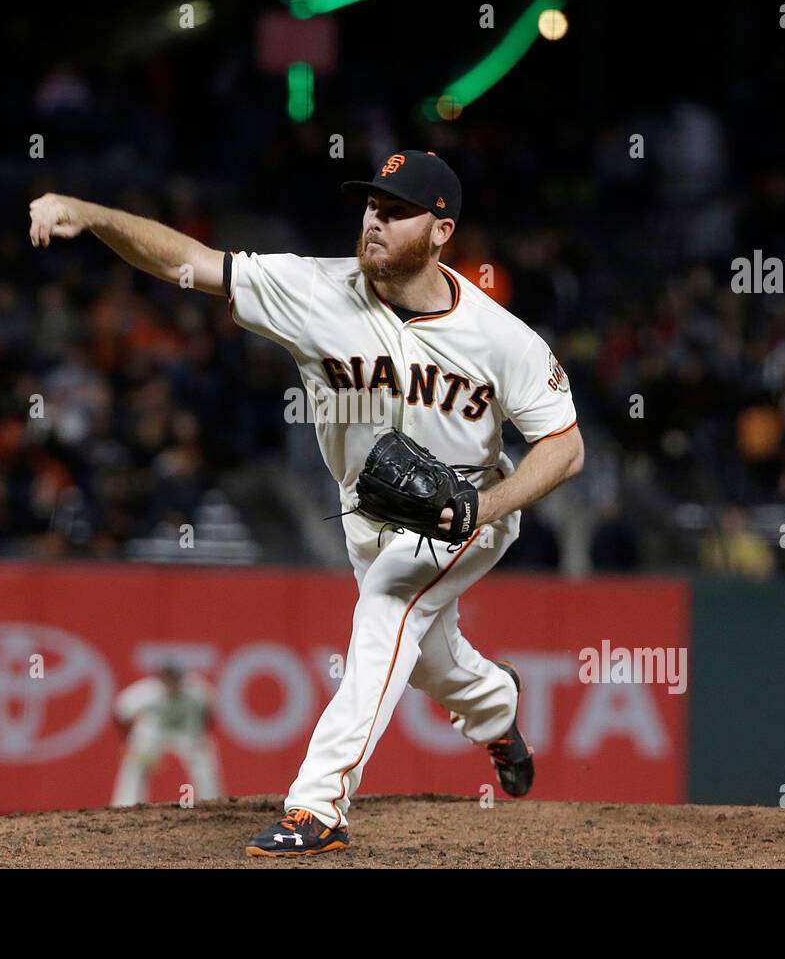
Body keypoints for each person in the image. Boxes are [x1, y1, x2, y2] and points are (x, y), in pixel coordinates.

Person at [29, 149, 584, 857]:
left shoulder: (501, 337)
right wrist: (90, 212)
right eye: (371, 206)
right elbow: (188, 263)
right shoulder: (312, 290)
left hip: (470, 511)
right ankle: (494, 705)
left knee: (389, 604)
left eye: (396, 211)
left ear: (442, 231)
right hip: (368, 518)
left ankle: (318, 806)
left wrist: (487, 505)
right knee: (426, 660)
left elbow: (565, 449)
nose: (375, 221)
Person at [110, 664, 221, 808]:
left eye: (175, 678)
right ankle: (124, 805)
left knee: (203, 754)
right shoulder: (147, 691)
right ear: (161, 679)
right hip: (154, 732)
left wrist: (200, 736)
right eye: (168, 679)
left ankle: (213, 804)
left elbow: (209, 713)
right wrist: (126, 742)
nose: (171, 683)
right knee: (136, 756)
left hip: (186, 731)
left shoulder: (197, 690)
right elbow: (121, 713)